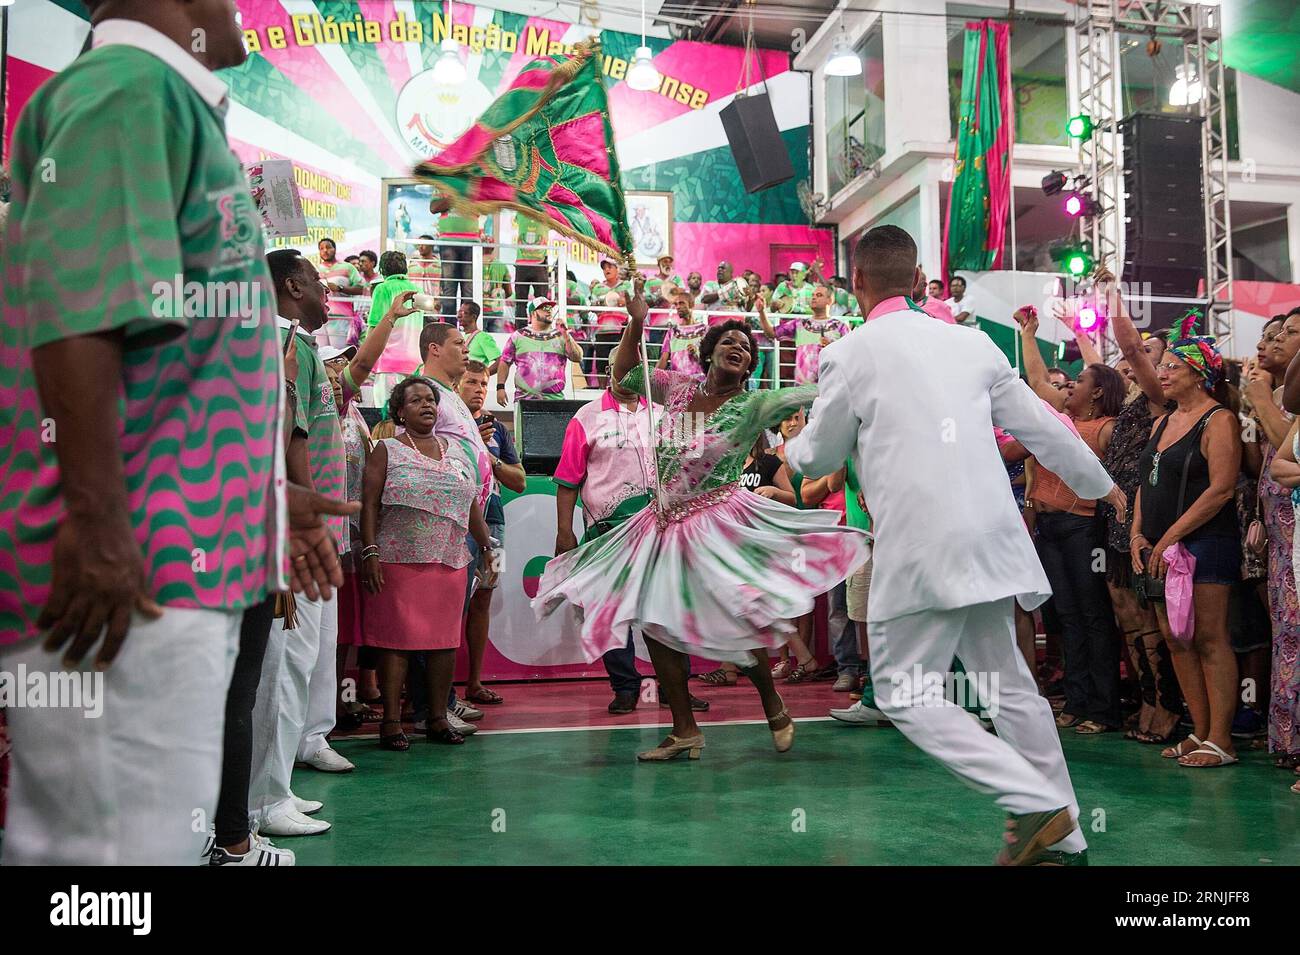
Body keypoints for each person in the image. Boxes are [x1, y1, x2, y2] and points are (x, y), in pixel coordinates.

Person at [0, 0, 343, 865]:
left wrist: (266, 499)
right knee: (110, 863)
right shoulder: (129, 88)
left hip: (160, 567)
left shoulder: (158, 100)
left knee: (127, 850)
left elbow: (166, 377)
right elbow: (78, 318)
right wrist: (99, 524)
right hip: (134, 579)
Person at [786, 225, 1126, 865]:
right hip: (991, 539)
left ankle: (1030, 800)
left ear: (856, 281)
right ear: (918, 281)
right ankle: (1068, 833)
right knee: (1009, 688)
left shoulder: (850, 354)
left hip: (921, 546)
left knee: (904, 695)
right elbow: (1045, 429)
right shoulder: (973, 345)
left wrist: (789, 442)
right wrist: (1102, 485)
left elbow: (820, 456)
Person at [535, 274, 870, 761]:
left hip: (718, 522)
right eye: (727, 342)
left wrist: (860, 376)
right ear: (709, 351)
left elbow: (812, 396)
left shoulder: (754, 404)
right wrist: (635, 323)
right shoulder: (674, 386)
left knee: (737, 618)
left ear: (750, 364)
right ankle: (685, 729)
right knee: (656, 623)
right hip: (661, 523)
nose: (736, 348)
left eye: (745, 347)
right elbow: (623, 374)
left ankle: (771, 701)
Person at [248, 250, 357, 843]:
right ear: (292, 286)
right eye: (316, 281)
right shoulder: (277, 347)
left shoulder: (301, 347)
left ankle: (276, 786)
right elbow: (286, 445)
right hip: (292, 536)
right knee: (280, 668)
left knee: (299, 665)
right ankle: (262, 800)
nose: (325, 289)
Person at [1131, 317, 1242, 769]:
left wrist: (1170, 537)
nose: (1163, 372)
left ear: (1200, 373)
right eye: (1165, 365)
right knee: (1177, 640)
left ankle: (1222, 739)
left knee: (1210, 639)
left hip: (1206, 543)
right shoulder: (1164, 421)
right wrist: (1139, 532)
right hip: (1159, 546)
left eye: (1174, 366)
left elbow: (1221, 489)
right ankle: (1199, 729)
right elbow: (1144, 481)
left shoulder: (1219, 419)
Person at [361, 377, 492, 748]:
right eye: (416, 400)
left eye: (431, 400)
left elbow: (471, 503)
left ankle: (435, 718)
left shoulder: (457, 450)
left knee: (443, 642)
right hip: (397, 558)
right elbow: (369, 502)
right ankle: (390, 722)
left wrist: (485, 547)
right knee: (395, 642)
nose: (427, 405)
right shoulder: (386, 449)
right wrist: (369, 551)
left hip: (450, 559)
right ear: (400, 411)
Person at [1017, 308, 1126, 734]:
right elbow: (1038, 379)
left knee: (1093, 615)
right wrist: (1028, 334)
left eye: (1080, 381)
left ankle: (1102, 708)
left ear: (1097, 394)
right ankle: (1078, 701)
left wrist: (1084, 333)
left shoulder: (1105, 429)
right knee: (1067, 615)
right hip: (1049, 529)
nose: (1069, 385)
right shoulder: (1058, 420)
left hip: (1083, 531)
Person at [554, 374, 657, 713]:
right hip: (607, 532)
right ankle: (625, 688)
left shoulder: (664, 414)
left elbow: (688, 466)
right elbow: (568, 480)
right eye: (618, 367)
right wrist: (564, 532)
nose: (625, 374)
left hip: (660, 528)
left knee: (663, 609)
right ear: (610, 372)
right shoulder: (586, 416)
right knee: (612, 612)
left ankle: (674, 687)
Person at [458, 361, 526, 705]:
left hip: (494, 520)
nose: (480, 388)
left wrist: (490, 458)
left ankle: (474, 682)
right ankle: (432, 690)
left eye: (484, 383)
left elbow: (520, 479)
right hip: (456, 521)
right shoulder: (448, 423)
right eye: (472, 381)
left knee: (484, 595)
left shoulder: (497, 429)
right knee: (451, 599)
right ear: (457, 384)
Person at [758, 283, 850, 385]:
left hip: (830, 386)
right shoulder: (799, 324)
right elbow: (772, 333)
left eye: (819, 295)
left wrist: (831, 348)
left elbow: (849, 356)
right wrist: (761, 312)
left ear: (830, 300)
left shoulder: (840, 327)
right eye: (813, 295)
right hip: (802, 390)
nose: (814, 297)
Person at [497, 297, 583, 401]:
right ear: (533, 314)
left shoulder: (561, 335)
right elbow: (505, 362)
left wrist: (566, 335)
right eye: (543, 308)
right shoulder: (518, 336)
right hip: (524, 400)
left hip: (555, 400)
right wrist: (500, 388)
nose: (548, 310)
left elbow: (577, 357)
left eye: (550, 308)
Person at [656, 289, 706, 379]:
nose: (678, 307)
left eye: (681, 303)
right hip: (677, 382)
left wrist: (696, 353)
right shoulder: (672, 331)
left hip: (699, 381)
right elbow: (663, 359)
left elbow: (710, 360)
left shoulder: (704, 330)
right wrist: (653, 379)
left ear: (691, 304)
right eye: (676, 304)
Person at [514, 215, 551, 320]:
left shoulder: (521, 212)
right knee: (541, 302)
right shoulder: (547, 215)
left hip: (522, 264)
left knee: (521, 303)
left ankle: (520, 329)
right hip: (538, 264)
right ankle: (541, 326)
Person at [459, 300, 502, 376]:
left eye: (464, 313)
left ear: (473, 317)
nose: (459, 316)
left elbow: (500, 361)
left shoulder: (483, 337)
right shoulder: (460, 337)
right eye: (459, 312)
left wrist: (482, 376)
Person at [481, 245, 513, 332]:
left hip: (479, 312)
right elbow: (509, 292)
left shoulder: (474, 264)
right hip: (497, 311)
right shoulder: (501, 265)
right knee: (496, 341)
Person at [408, 235, 442, 310]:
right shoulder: (412, 265)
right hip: (414, 307)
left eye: (423, 244)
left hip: (433, 308)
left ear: (431, 246)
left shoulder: (439, 266)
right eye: (419, 244)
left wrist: (439, 300)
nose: (420, 247)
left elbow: (444, 286)